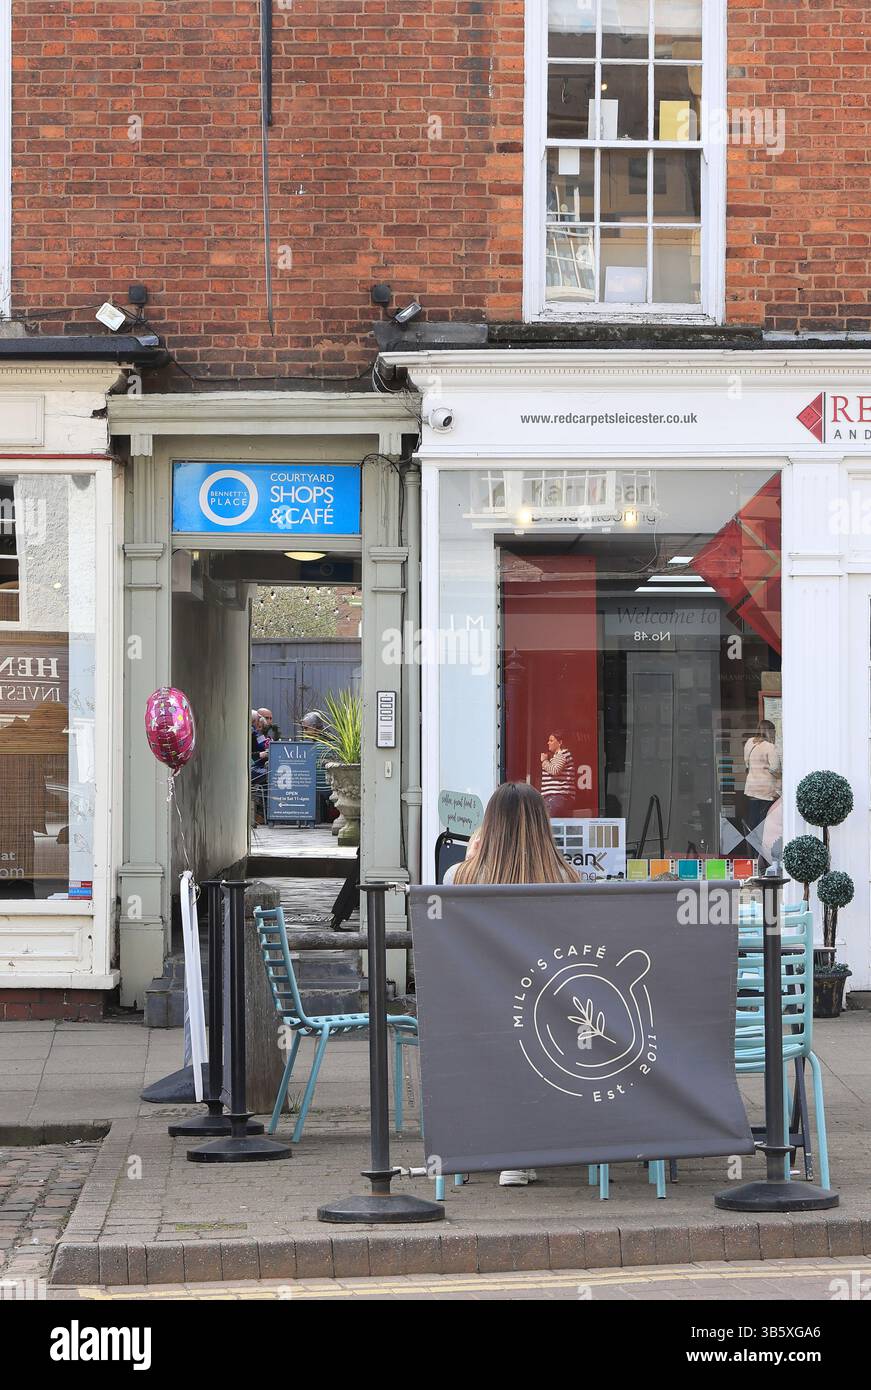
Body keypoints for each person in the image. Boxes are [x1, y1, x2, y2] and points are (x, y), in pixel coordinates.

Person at [452, 782, 580, 1187]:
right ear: (542, 826)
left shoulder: (460, 876)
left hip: (475, 1008)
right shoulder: (567, 878)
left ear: (489, 826)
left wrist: (469, 859)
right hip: (548, 1011)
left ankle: (485, 1146)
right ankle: (520, 1153)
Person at [743, 718, 782, 831]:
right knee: (763, 823)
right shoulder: (770, 747)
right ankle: (761, 847)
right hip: (766, 790)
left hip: (752, 788)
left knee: (753, 822)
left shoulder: (750, 743)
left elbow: (746, 762)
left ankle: (752, 845)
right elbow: (775, 767)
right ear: (770, 731)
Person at [539, 730, 575, 819]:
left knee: (550, 825)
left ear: (560, 742)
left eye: (551, 741)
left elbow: (555, 770)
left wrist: (544, 761)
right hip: (555, 798)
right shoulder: (557, 756)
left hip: (557, 797)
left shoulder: (563, 754)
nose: (548, 743)